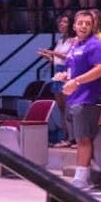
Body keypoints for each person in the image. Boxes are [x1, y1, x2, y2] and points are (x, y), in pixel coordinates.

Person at [53, 9, 101, 190]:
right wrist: (65, 76)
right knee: (81, 139)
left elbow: (100, 69)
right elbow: (73, 69)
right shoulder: (75, 45)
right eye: (80, 23)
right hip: (73, 98)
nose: (83, 26)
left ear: (92, 26)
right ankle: (93, 177)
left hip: (87, 98)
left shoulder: (94, 45)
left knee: (84, 139)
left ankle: (81, 179)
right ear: (74, 26)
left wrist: (76, 81)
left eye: (87, 23)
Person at [37, 14, 75, 145]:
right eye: (61, 22)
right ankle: (65, 136)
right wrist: (49, 57)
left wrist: (53, 52)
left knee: (70, 108)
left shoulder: (73, 40)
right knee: (62, 108)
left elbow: (69, 58)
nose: (61, 24)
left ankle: (73, 137)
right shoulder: (60, 40)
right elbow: (57, 60)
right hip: (58, 73)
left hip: (68, 73)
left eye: (65, 22)